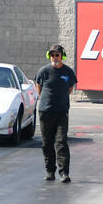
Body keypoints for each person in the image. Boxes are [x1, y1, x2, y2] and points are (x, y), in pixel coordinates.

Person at [35, 44, 77, 183]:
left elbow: (70, 89)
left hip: (61, 112)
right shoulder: (44, 71)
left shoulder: (68, 72)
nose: (55, 57)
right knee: (47, 143)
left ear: (62, 56)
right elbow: (38, 88)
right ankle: (50, 171)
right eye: (52, 55)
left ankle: (64, 172)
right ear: (49, 56)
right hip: (45, 112)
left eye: (57, 55)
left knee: (61, 142)